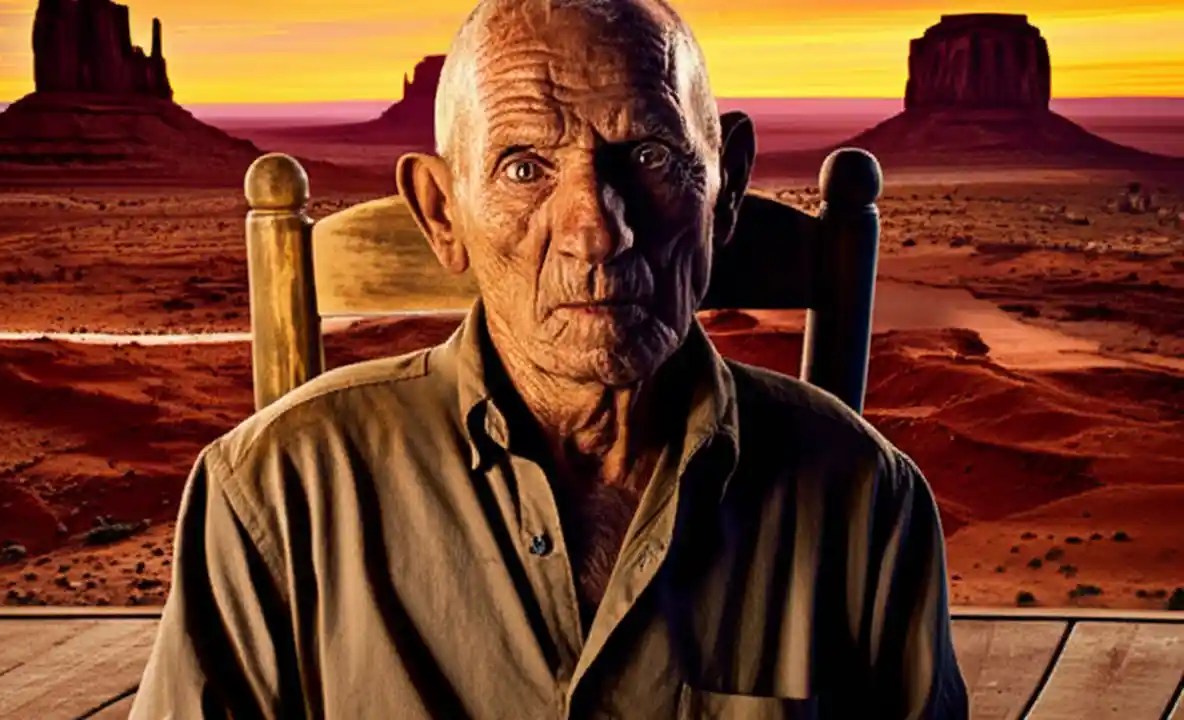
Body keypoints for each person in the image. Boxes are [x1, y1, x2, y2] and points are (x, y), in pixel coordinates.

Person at [130, 0, 968, 717]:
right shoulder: (274, 497)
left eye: (647, 157)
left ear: (730, 185)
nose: (596, 229)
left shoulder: (865, 500)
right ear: (442, 213)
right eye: (525, 166)